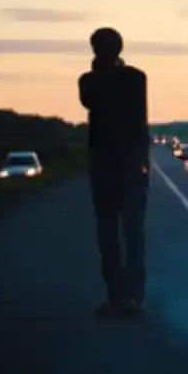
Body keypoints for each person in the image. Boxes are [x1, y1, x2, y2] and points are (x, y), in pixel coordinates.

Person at [79, 27, 150, 319]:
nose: (100, 53)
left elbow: (136, 116)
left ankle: (132, 296)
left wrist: (142, 162)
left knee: (131, 233)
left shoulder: (134, 77)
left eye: (103, 48)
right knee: (108, 235)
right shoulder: (88, 80)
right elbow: (90, 100)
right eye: (98, 48)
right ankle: (117, 296)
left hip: (129, 165)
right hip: (104, 165)